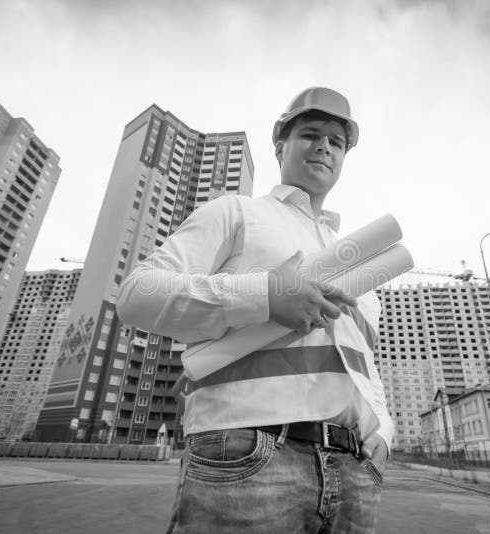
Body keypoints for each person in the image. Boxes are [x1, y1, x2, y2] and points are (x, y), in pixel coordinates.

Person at [117, 87, 392, 533]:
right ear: (281, 145)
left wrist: (385, 432)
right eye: (311, 134)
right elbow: (138, 294)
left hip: (354, 468)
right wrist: (265, 296)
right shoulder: (237, 213)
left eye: (337, 142)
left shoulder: (357, 263)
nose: (325, 146)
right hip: (250, 452)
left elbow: (365, 367)